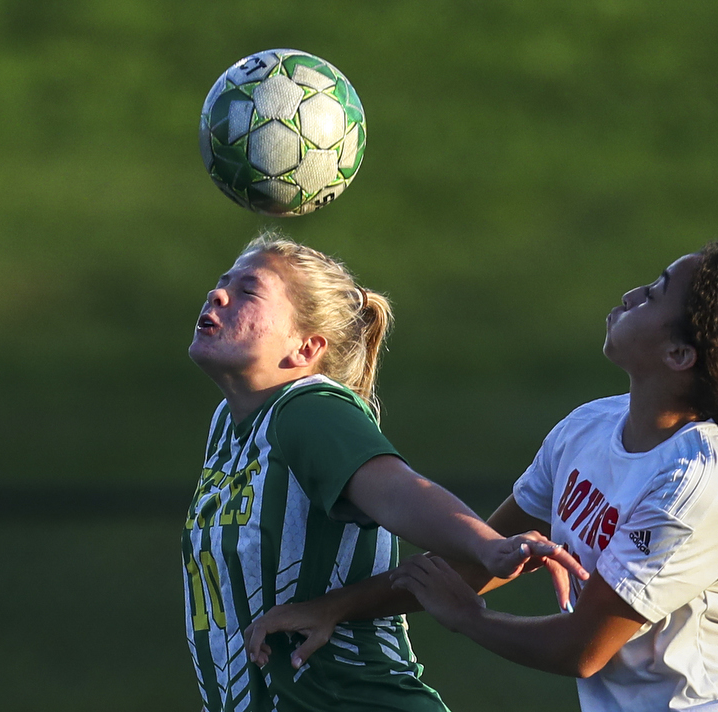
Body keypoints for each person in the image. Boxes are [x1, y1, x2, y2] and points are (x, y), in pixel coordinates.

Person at [247, 242, 718, 712]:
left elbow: (581, 648)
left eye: (656, 293)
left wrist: (471, 619)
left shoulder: (694, 482)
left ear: (681, 354)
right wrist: (333, 609)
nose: (633, 295)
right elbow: (480, 560)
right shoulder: (589, 428)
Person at [182, 230, 585, 712]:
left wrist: (487, 545)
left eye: (249, 290)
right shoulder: (229, 425)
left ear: (306, 349)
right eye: (222, 282)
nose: (217, 293)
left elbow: (395, 489)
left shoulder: (308, 409)